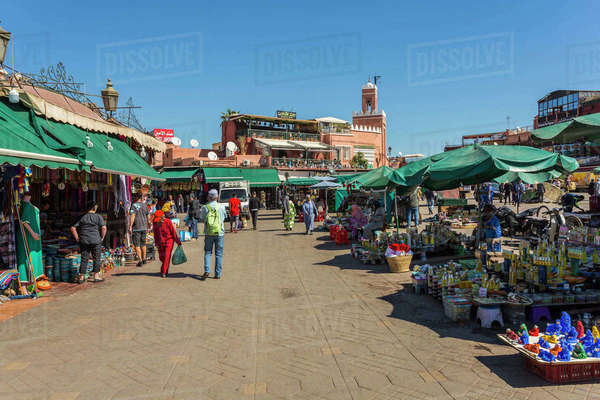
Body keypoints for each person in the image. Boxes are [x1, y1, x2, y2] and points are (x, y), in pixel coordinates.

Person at [71, 202, 106, 283]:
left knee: (84, 258)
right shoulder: (98, 217)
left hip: (84, 240)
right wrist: (102, 237)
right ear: (94, 208)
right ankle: (96, 277)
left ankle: (81, 277)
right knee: (96, 258)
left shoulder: (82, 217)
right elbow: (104, 228)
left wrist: (77, 238)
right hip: (96, 240)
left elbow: (73, 228)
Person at [199, 189, 226, 280]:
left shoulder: (205, 207)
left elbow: (202, 218)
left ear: (209, 197)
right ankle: (217, 274)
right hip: (220, 233)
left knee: (208, 252)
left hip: (208, 233)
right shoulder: (221, 207)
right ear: (217, 197)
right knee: (218, 254)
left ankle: (207, 270)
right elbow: (225, 217)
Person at [16, 192, 43, 282]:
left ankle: (31, 283)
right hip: (28, 235)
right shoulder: (26, 205)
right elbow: (24, 221)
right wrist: (33, 233)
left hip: (32, 236)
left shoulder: (27, 204)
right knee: (24, 258)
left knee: (31, 258)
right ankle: (24, 285)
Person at [152, 210, 182, 278]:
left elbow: (173, 232)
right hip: (160, 242)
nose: (156, 220)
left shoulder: (168, 221)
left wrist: (178, 242)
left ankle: (164, 272)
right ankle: (165, 268)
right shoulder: (155, 223)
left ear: (162, 217)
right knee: (161, 257)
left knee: (167, 257)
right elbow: (155, 234)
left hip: (169, 241)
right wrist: (156, 243)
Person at [129, 193, 150, 267]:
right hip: (144, 227)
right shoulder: (145, 205)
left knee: (137, 245)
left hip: (136, 228)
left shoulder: (133, 205)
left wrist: (130, 226)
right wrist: (149, 225)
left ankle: (140, 260)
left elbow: (133, 216)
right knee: (143, 243)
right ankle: (144, 259)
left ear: (135, 197)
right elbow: (148, 216)